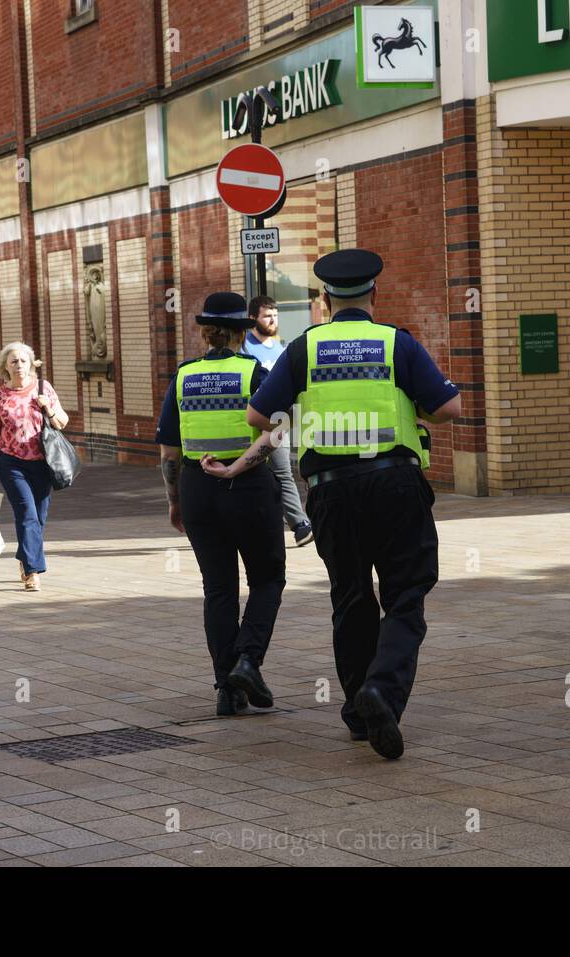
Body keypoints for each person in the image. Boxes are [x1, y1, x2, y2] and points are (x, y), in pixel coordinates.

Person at [202, 250, 460, 760]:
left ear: (324, 300)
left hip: (330, 489)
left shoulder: (304, 349)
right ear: (373, 296)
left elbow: (258, 416)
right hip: (394, 485)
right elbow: (449, 408)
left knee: (350, 597)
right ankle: (381, 690)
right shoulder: (397, 343)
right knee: (406, 594)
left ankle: (358, 714)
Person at [156, 292, 286, 718]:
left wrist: (175, 500)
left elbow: (169, 453)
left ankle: (226, 690)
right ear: (241, 331)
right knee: (267, 579)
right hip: (246, 487)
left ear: (205, 332)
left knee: (218, 588)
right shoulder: (255, 373)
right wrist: (239, 468)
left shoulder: (183, 376)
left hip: (196, 488)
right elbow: (277, 432)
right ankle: (248, 661)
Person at [0, 342, 68, 592]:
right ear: (5, 366)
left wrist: (47, 407)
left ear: (31, 364)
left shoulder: (43, 388)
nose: (19, 365)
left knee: (38, 518)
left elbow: (62, 422)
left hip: (42, 463)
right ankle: (32, 571)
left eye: (23, 360)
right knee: (26, 514)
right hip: (11, 463)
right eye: (13, 361)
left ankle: (24, 557)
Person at [242, 295, 313, 547]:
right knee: (265, 473)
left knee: (281, 471)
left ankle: (299, 525)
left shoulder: (281, 347)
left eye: (275, 315)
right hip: (251, 421)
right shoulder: (244, 348)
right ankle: (293, 523)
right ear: (253, 319)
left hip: (276, 421)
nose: (272, 320)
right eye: (266, 315)